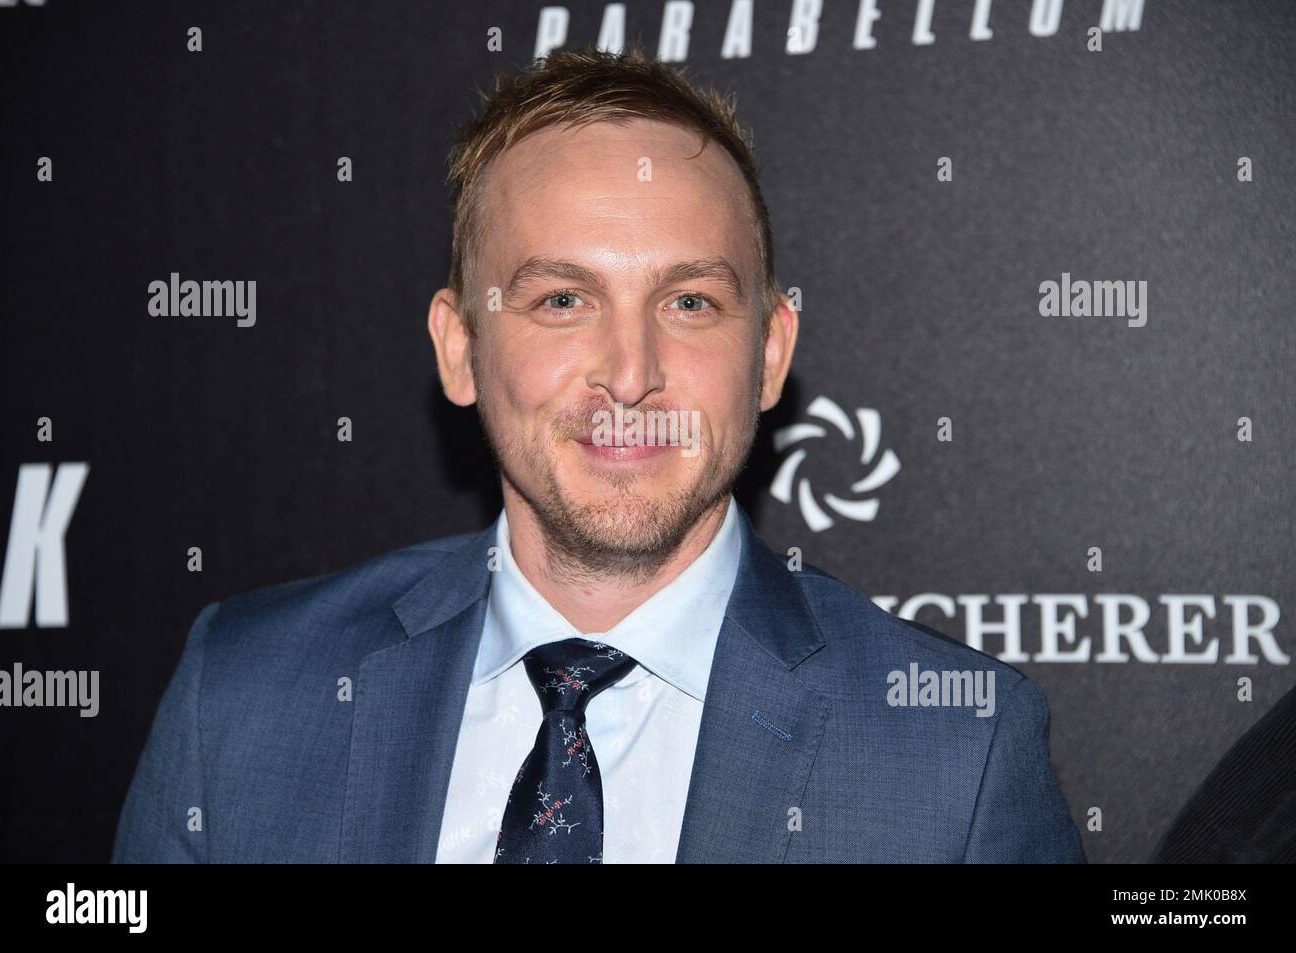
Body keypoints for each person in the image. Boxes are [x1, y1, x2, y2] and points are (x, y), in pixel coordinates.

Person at [113, 46, 1084, 864]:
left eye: (689, 301)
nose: (630, 374)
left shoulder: (955, 758)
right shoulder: (240, 701)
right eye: (562, 299)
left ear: (771, 354)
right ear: (460, 349)